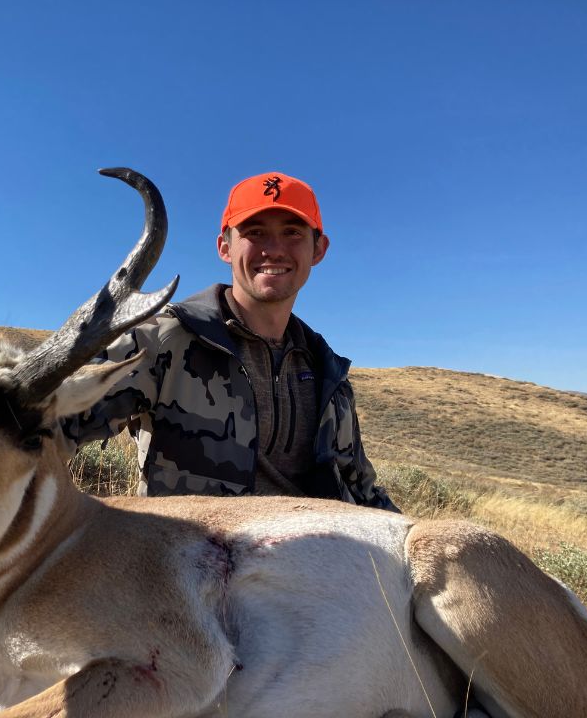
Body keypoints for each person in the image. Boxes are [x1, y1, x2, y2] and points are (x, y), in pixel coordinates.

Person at [61, 171, 396, 509]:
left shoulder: (329, 374)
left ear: (318, 250)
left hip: (319, 541)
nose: (274, 250)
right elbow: (49, 425)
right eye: (255, 232)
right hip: (190, 541)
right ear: (225, 247)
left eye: (292, 232)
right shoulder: (162, 339)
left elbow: (363, 491)